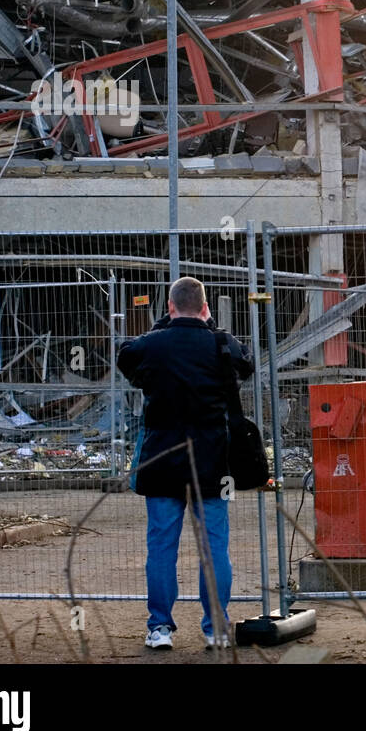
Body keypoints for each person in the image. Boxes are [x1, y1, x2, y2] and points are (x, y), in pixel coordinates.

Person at [117, 276, 254, 651]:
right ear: (206, 307)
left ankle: (159, 627)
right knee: (214, 547)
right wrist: (208, 327)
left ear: (170, 307)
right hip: (212, 463)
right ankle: (215, 628)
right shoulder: (221, 345)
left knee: (162, 546)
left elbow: (125, 355)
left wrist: (164, 326)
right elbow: (247, 364)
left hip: (161, 462)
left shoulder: (152, 345)